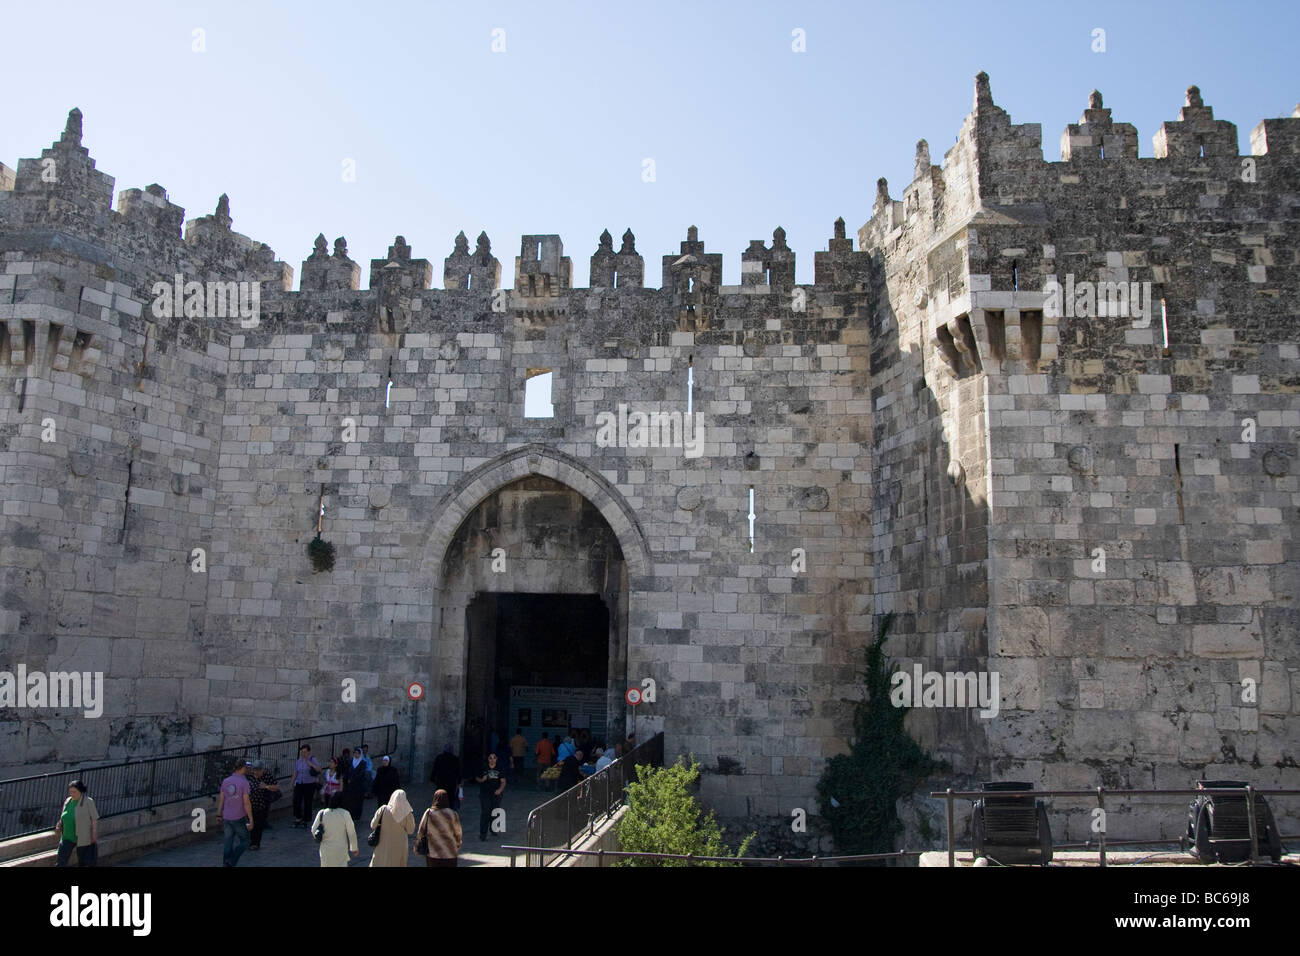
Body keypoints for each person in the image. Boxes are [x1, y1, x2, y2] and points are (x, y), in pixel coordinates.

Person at [217, 759, 254, 867]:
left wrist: (219, 814)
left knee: (228, 842)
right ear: (243, 768)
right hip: (238, 817)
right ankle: (232, 861)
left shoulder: (226, 781)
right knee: (245, 841)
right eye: (246, 768)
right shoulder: (244, 783)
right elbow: (246, 803)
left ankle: (226, 863)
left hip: (227, 816)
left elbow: (222, 800)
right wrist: (251, 819)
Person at [54, 780, 99, 867]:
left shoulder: (88, 801)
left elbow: (94, 818)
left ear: (80, 791)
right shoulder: (68, 801)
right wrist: (59, 825)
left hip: (82, 837)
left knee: (84, 862)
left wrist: (94, 833)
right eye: (70, 792)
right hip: (67, 836)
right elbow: (63, 815)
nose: (72, 794)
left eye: (74, 792)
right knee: (61, 862)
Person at [368, 788, 415, 867]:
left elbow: (373, 825)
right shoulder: (407, 813)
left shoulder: (383, 809)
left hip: (383, 845)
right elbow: (411, 830)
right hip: (399, 847)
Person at [311, 792, 359, 867]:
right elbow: (351, 832)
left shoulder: (322, 813)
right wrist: (354, 848)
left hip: (325, 849)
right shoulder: (345, 814)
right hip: (340, 848)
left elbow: (313, 830)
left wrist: (320, 838)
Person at [417, 789, 462, 867]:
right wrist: (457, 844)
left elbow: (421, 831)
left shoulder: (429, 813)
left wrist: (417, 846)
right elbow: (458, 833)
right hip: (450, 853)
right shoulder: (453, 814)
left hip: (433, 853)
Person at [247, 761, 280, 850]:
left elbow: (277, 787)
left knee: (258, 825)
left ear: (262, 770)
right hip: (249, 804)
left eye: (258, 770)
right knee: (249, 823)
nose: (256, 772)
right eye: (255, 770)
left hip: (262, 805)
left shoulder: (267, 776)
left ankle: (255, 843)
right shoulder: (249, 776)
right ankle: (248, 841)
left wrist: (266, 786)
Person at [475, 752, 506, 841]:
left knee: (494, 812)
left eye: (494, 758)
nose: (492, 760)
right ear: (488, 759)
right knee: (485, 812)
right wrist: (482, 780)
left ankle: (493, 829)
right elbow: (477, 778)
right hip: (485, 793)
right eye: (490, 758)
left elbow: (503, 781)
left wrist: (500, 790)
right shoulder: (484, 768)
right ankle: (483, 833)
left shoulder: (499, 768)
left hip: (496, 794)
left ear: (496, 759)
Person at [291, 744, 322, 827]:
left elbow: (319, 769)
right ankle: (298, 817)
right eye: (302, 752)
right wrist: (292, 782)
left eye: (304, 752)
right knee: (296, 800)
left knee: (307, 802)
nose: (303, 754)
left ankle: (306, 819)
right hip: (299, 783)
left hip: (309, 784)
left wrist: (310, 764)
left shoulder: (312, 759)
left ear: (308, 752)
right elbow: (296, 772)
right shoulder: (299, 760)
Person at [431, 744, 462, 811]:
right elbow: (458, 771)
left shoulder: (439, 757)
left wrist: (432, 779)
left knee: (440, 796)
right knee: (450, 797)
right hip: (451, 782)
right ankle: (449, 810)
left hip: (441, 781)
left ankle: (439, 809)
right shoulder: (455, 759)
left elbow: (435, 769)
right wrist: (459, 781)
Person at [344, 748, 368, 822]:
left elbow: (361, 773)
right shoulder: (351, 761)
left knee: (357, 801)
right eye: (355, 753)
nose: (356, 755)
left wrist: (353, 779)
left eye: (358, 753)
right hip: (350, 785)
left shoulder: (363, 762)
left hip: (358, 785)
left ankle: (357, 816)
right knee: (350, 800)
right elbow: (347, 770)